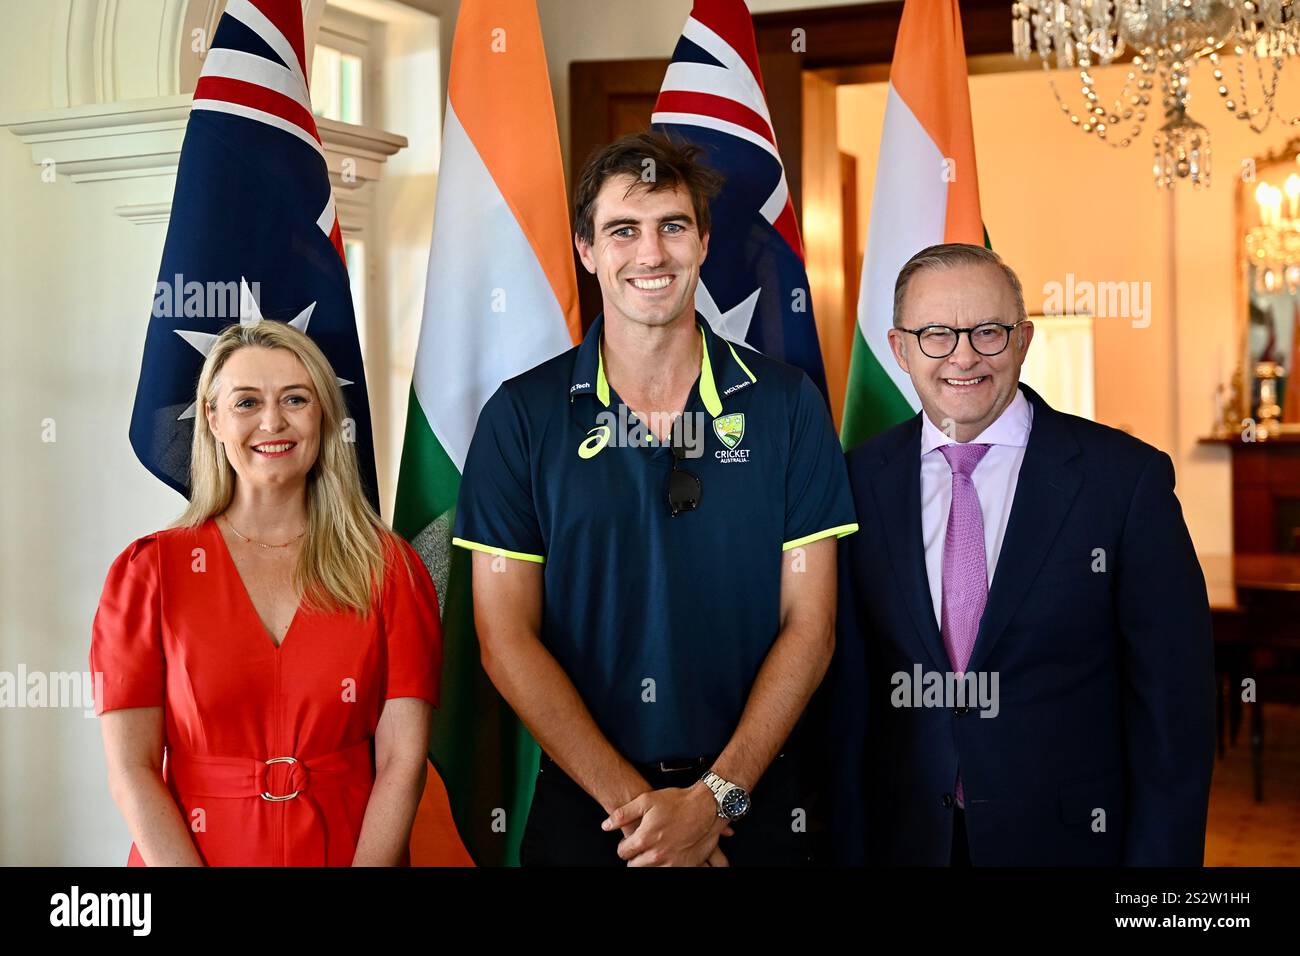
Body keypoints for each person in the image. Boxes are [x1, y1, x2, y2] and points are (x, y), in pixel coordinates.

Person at [452, 131, 857, 866]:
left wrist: (715, 801)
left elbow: (812, 624)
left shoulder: (788, 406)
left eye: (672, 226)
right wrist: (643, 817)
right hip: (592, 813)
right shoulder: (521, 416)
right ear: (586, 249)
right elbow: (503, 637)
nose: (651, 253)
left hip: (755, 809)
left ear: (703, 241)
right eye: (623, 231)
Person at [829, 242, 1215, 866]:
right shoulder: (852, 482)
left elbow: (1175, 711)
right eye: (935, 335)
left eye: (988, 331)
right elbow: (844, 694)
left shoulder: (1124, 482)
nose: (963, 356)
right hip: (901, 842)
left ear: (1024, 340)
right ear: (899, 349)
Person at [91, 320, 443, 866]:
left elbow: (403, 760)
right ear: (213, 419)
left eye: (295, 399)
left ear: (322, 414)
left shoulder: (390, 569)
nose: (272, 421)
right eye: (247, 402)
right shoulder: (148, 573)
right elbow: (131, 770)